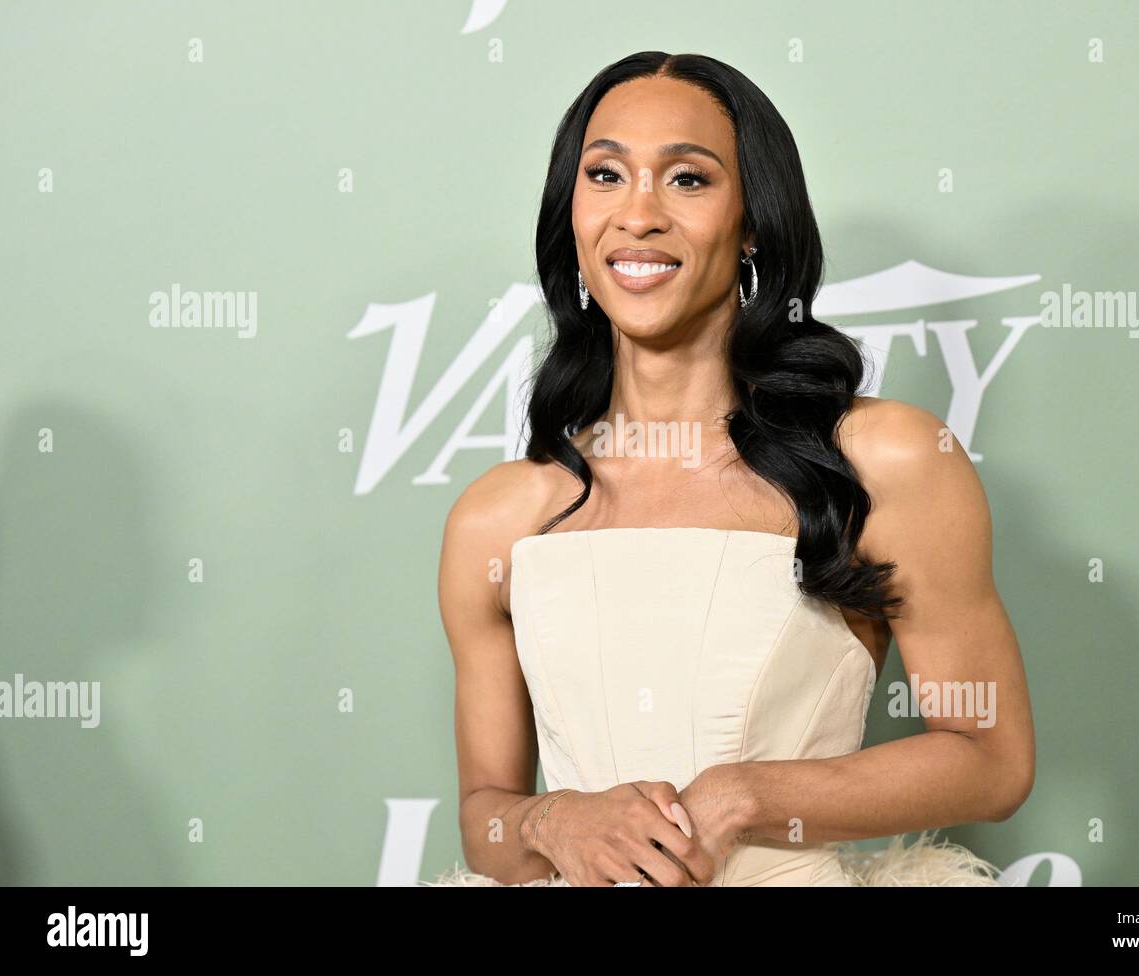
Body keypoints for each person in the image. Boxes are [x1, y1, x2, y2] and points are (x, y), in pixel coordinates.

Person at [425, 52, 1034, 886]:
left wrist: (744, 796)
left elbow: (991, 760)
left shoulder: (883, 461)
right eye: (605, 175)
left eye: (687, 180)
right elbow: (485, 818)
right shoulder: (500, 518)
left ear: (753, 222)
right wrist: (550, 817)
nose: (637, 216)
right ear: (570, 215)